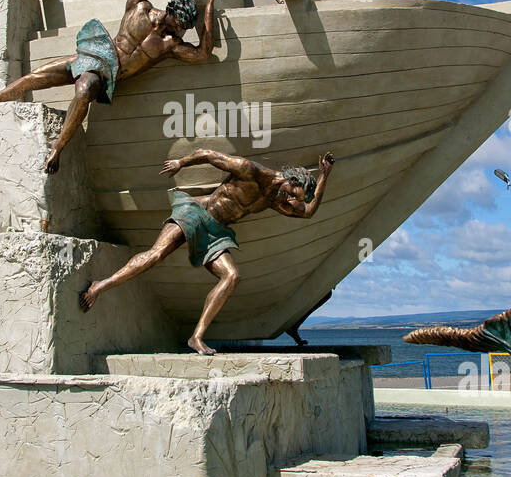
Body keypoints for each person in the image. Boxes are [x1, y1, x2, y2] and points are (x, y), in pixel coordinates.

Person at [0, 0, 218, 173]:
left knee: (84, 90)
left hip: (108, 76)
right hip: (96, 55)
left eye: (183, 27)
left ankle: (57, 149)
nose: (179, 30)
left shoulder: (170, 46)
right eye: (178, 23)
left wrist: (209, 8)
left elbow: (203, 53)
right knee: (37, 76)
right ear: (171, 11)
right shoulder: (139, 8)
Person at [79, 150, 334, 355]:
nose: (289, 200)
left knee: (231, 276)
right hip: (196, 213)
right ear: (289, 180)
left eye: (293, 198)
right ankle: (99, 286)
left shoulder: (275, 199)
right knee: (156, 254)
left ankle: (196, 337)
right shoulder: (252, 171)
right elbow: (209, 155)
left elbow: (308, 211)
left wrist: (324, 176)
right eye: (291, 194)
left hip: (216, 231)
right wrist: (180, 162)